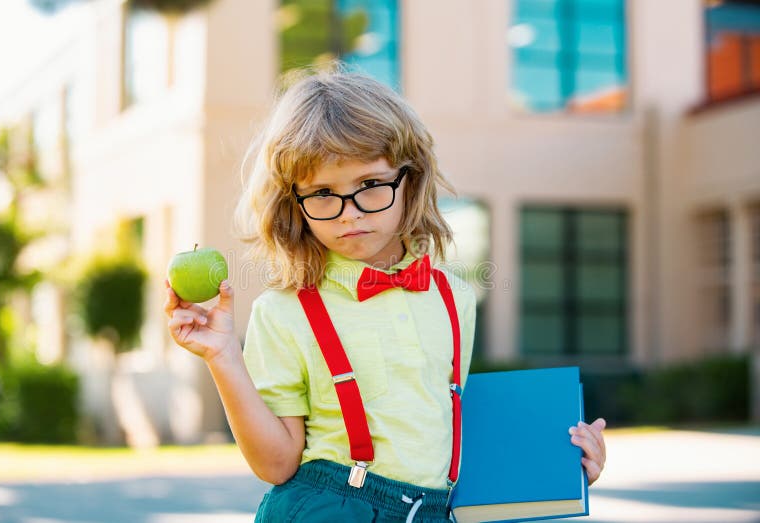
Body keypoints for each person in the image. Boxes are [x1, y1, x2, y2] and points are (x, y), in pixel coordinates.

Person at [164, 69, 607, 522]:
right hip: (327, 508)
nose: (349, 213)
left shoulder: (454, 297)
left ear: (409, 179)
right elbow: (276, 464)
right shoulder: (284, 311)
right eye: (322, 193)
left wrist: (559, 461)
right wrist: (222, 356)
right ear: (292, 201)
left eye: (370, 185)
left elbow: (441, 440)